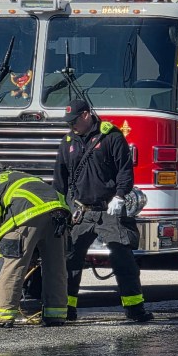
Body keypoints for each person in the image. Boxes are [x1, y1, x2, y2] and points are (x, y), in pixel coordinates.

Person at [53, 99, 153, 323]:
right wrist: (60, 210)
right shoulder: (68, 141)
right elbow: (59, 182)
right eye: (69, 122)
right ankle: (67, 310)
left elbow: (125, 172)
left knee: (122, 258)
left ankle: (135, 310)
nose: (72, 126)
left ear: (87, 115)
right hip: (81, 211)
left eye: (75, 121)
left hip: (108, 209)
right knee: (70, 260)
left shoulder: (111, 137)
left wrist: (120, 196)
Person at [0, 163, 70, 328]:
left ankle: (1, 317)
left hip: (27, 216)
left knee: (13, 265)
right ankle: (56, 315)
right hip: (59, 213)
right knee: (56, 267)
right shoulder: (22, 176)